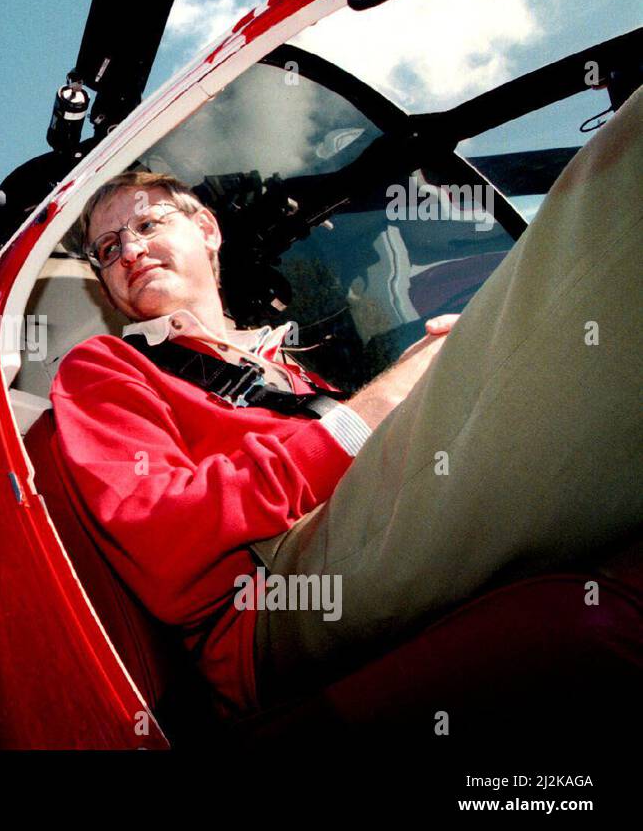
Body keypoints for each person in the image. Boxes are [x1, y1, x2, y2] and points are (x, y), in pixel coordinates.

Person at [51, 87, 643, 717]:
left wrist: (441, 373)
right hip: (273, 597)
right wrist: (384, 402)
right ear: (107, 288)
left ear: (206, 230)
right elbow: (167, 538)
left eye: (147, 224)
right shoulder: (105, 367)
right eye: (109, 248)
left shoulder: (284, 367)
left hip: (350, 525)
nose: (132, 250)